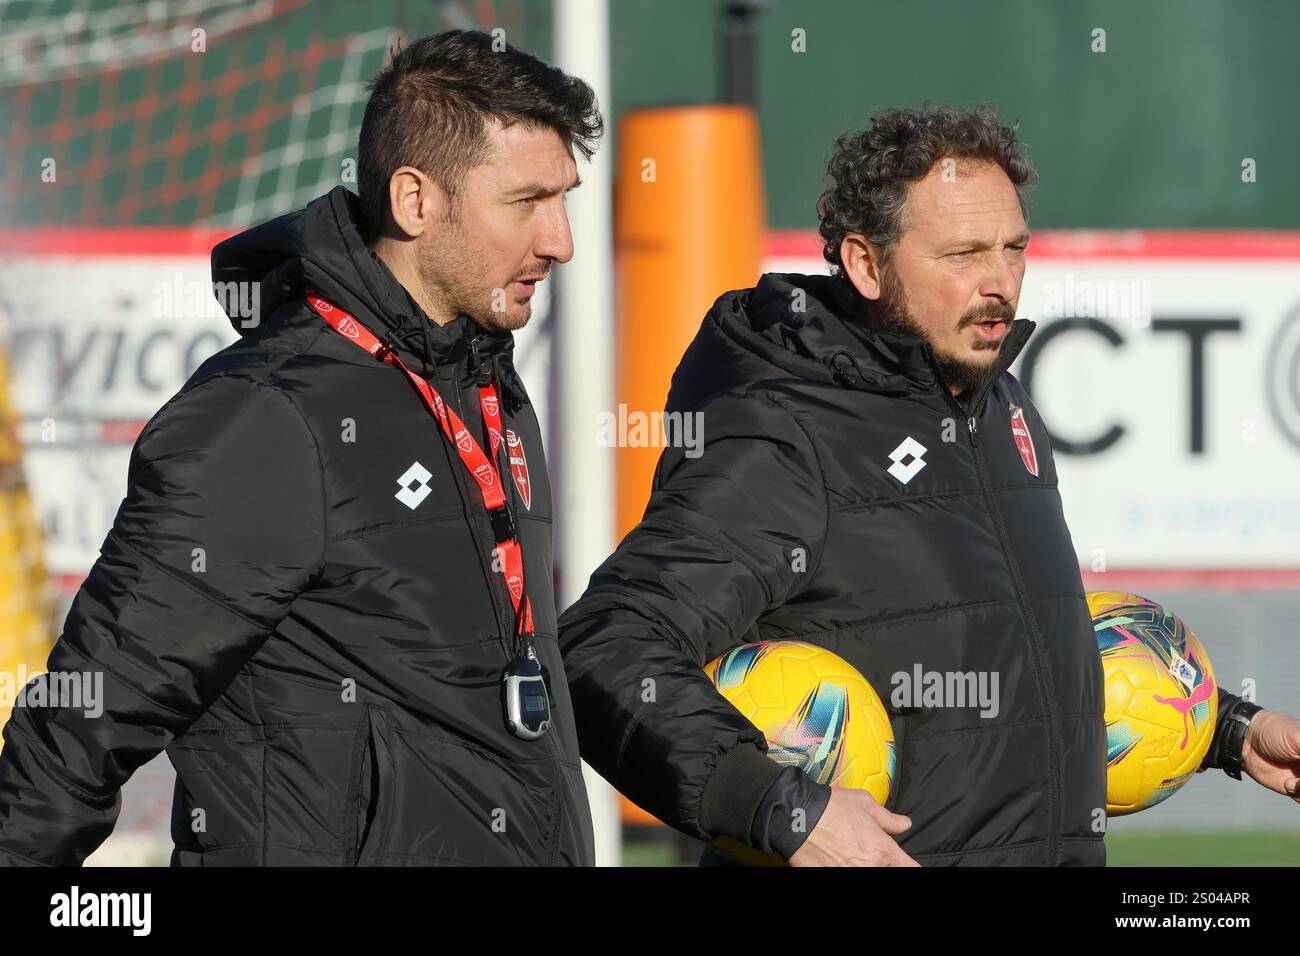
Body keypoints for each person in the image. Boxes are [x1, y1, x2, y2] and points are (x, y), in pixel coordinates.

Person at [559, 104, 1300, 866]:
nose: (999, 284)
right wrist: (773, 806)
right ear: (865, 263)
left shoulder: (997, 403)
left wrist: (1226, 731)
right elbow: (604, 646)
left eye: (1014, 249)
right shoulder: (784, 432)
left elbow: (1009, 666)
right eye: (962, 254)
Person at [0, 29, 603, 866]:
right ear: (415, 201)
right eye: (527, 201)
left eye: (565, 198)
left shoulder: (488, 384)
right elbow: (88, 716)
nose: (560, 240)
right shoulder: (267, 416)